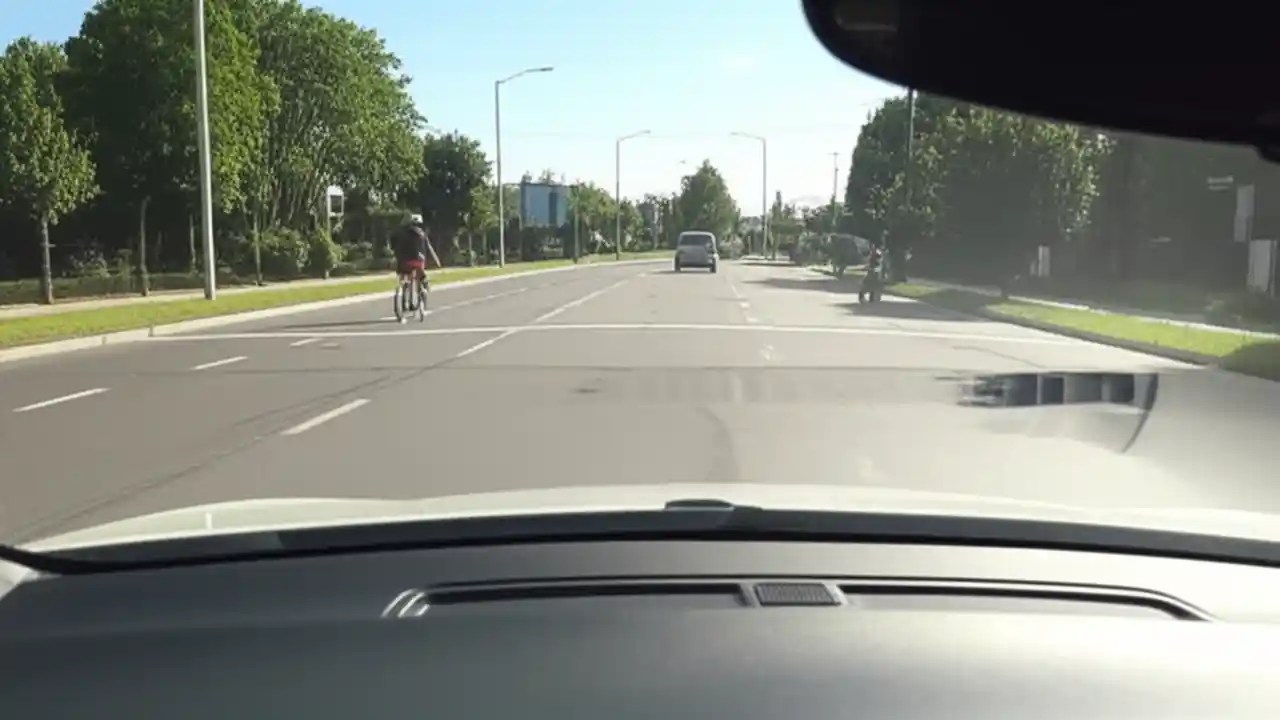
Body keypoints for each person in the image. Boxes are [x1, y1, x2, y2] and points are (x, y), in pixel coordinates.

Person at [392, 214, 440, 294]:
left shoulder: (402, 234)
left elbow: (397, 248)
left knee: (403, 273)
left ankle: (403, 287)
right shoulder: (422, 234)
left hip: (404, 262)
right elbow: (429, 248)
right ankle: (424, 285)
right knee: (421, 275)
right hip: (418, 262)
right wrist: (437, 260)